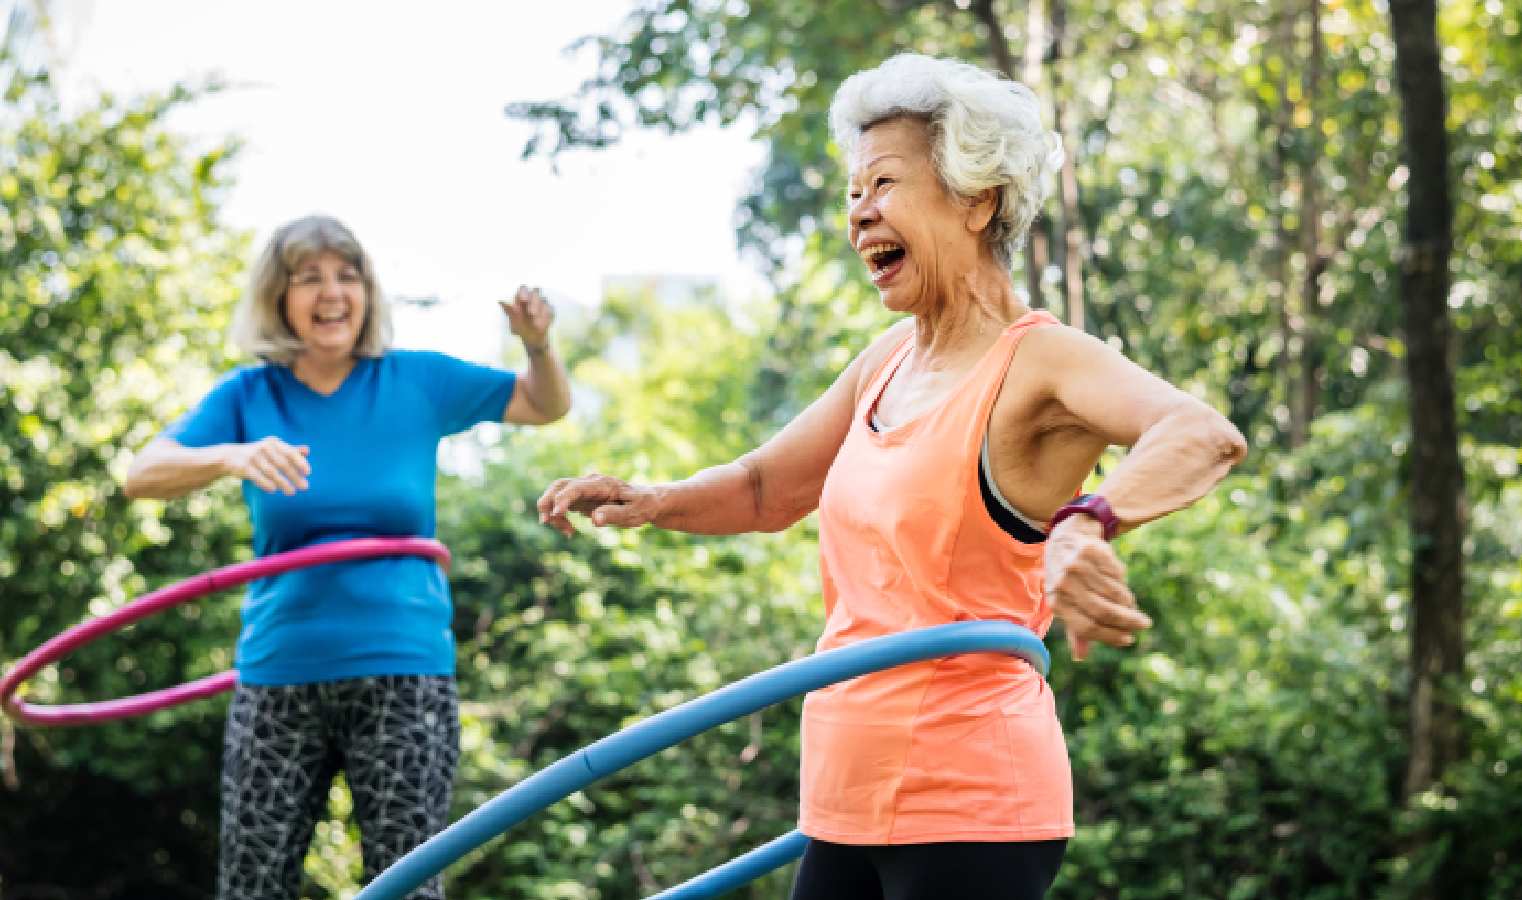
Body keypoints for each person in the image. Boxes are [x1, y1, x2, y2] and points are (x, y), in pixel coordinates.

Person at [536, 54, 1248, 900]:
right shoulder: (886, 364)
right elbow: (768, 490)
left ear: (978, 199)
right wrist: (654, 500)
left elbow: (1201, 433)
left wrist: (1086, 520)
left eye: (883, 184)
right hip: (842, 798)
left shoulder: (1040, 361)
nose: (858, 213)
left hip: (969, 800)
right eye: (851, 193)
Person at [123, 214, 571, 900]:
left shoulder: (417, 380)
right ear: (279, 297)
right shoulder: (249, 395)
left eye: (346, 274)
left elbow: (543, 406)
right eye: (309, 278)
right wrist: (230, 455)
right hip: (278, 674)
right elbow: (141, 473)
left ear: (367, 292)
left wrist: (538, 346)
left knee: (407, 888)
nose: (331, 292)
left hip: (403, 674)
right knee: (251, 886)